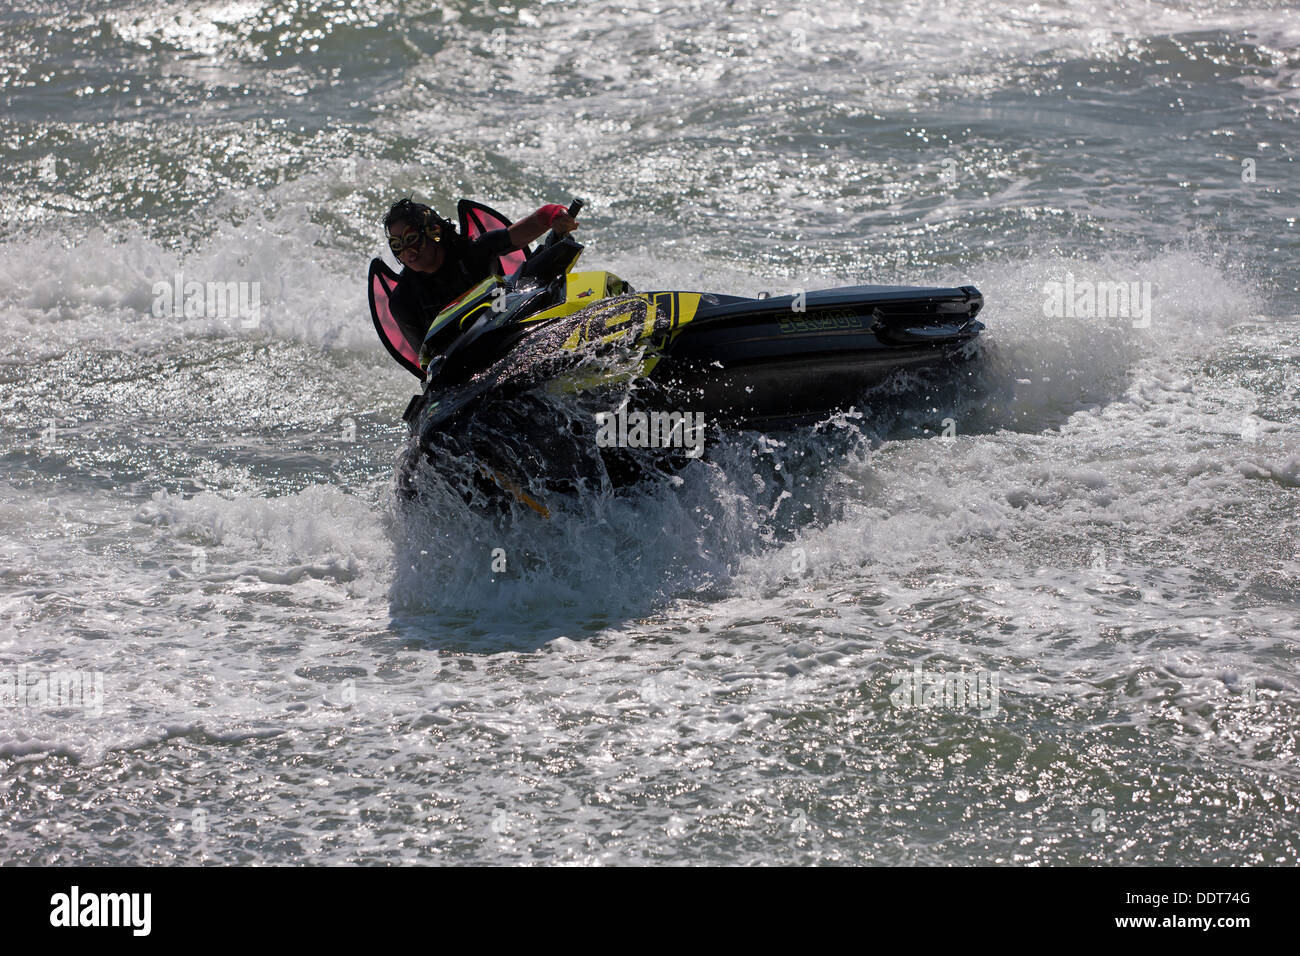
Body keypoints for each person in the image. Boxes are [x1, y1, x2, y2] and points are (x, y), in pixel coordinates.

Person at [382, 198, 579, 358]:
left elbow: (521, 232)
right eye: (397, 245)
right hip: (462, 366)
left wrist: (553, 215)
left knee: (560, 248)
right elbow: (425, 360)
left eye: (410, 239)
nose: (407, 251)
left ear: (434, 232)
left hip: (510, 331)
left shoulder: (472, 253)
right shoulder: (403, 300)